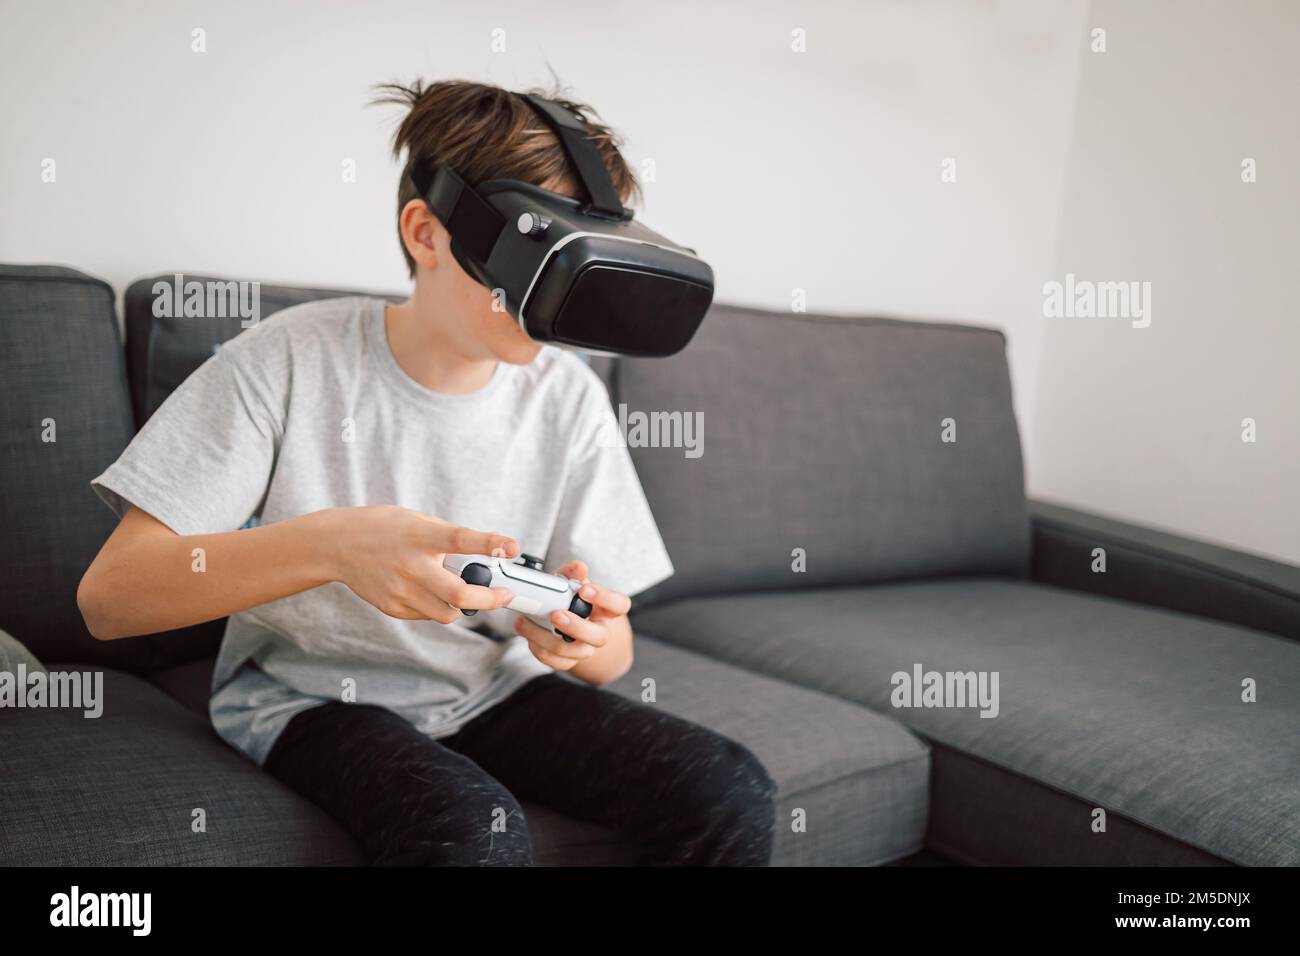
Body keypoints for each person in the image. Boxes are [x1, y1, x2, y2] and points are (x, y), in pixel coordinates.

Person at [77, 78, 777, 866]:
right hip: (313, 699)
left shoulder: (565, 396)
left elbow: (613, 654)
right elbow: (110, 599)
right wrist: (335, 546)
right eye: (538, 253)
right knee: (470, 830)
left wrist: (575, 637)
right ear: (427, 232)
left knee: (728, 787)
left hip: (492, 684)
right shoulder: (285, 361)